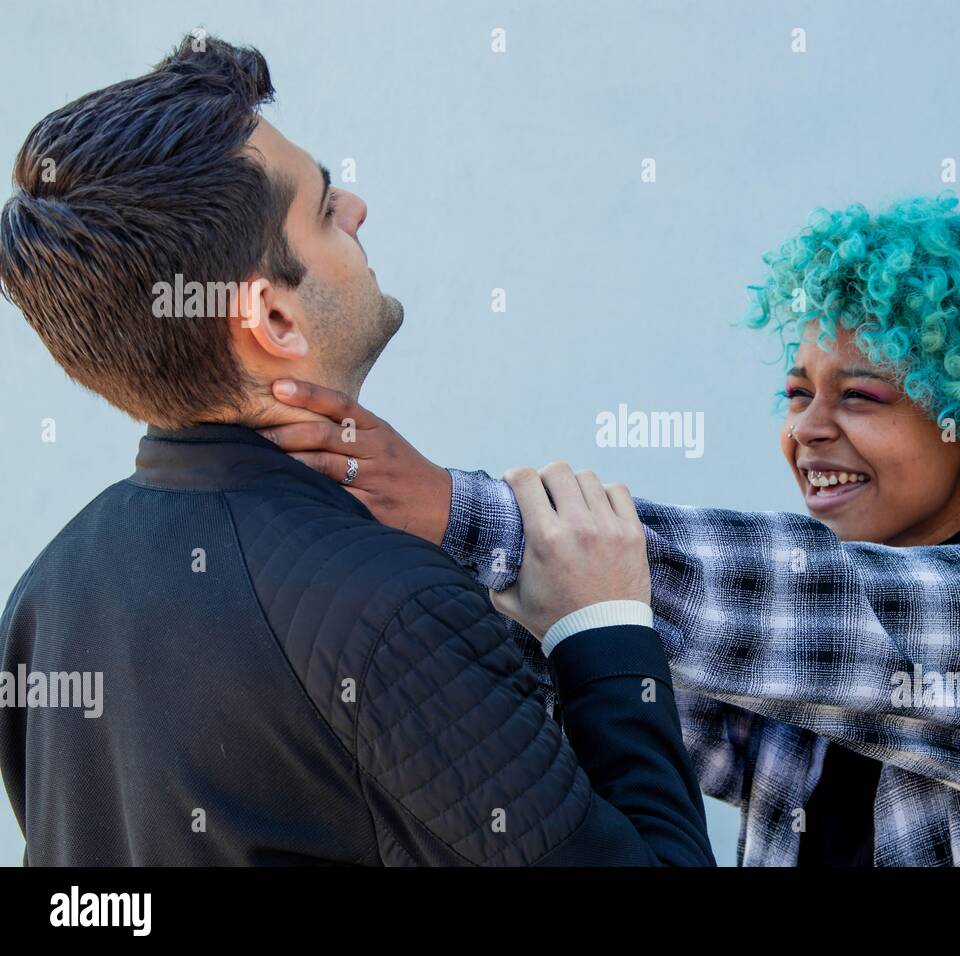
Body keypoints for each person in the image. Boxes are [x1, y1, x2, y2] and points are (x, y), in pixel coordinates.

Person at [261, 196, 960, 866]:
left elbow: (824, 607)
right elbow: (619, 686)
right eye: (795, 393)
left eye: (860, 396)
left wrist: (460, 510)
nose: (809, 429)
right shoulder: (797, 668)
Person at [0, 35, 714, 866]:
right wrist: (605, 628)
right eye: (324, 205)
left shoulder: (46, 599)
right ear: (272, 319)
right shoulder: (394, 611)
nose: (358, 210)